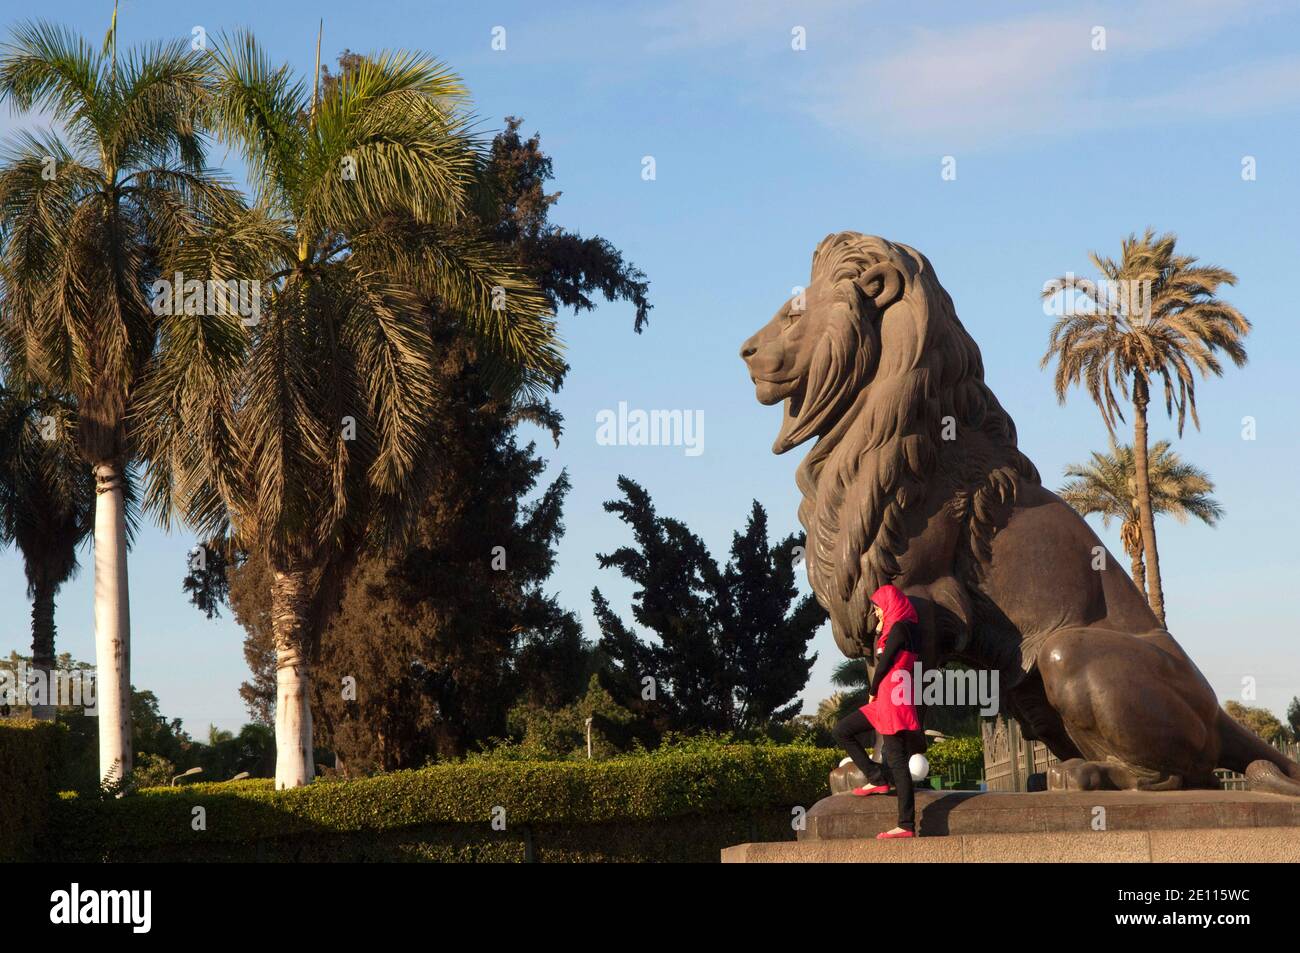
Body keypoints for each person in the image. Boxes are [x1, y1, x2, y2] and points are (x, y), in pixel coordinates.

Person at [831, 584, 926, 839]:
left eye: (878, 608)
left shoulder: (901, 628)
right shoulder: (895, 629)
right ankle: (876, 776)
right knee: (843, 731)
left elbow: (884, 662)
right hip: (887, 697)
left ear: (891, 604)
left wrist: (872, 689)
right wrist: (880, 632)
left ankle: (905, 825)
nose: (877, 613)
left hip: (892, 697)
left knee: (897, 761)